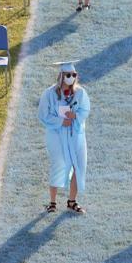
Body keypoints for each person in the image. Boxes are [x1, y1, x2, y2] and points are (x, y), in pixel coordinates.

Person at [37, 61, 90, 214]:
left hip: (75, 135)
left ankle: (72, 201)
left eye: (74, 75)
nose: (71, 78)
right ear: (61, 76)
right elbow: (43, 115)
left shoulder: (80, 93)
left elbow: (85, 110)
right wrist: (61, 121)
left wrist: (76, 116)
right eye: (68, 75)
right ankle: (52, 202)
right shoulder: (49, 94)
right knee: (59, 164)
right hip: (57, 135)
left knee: (79, 165)